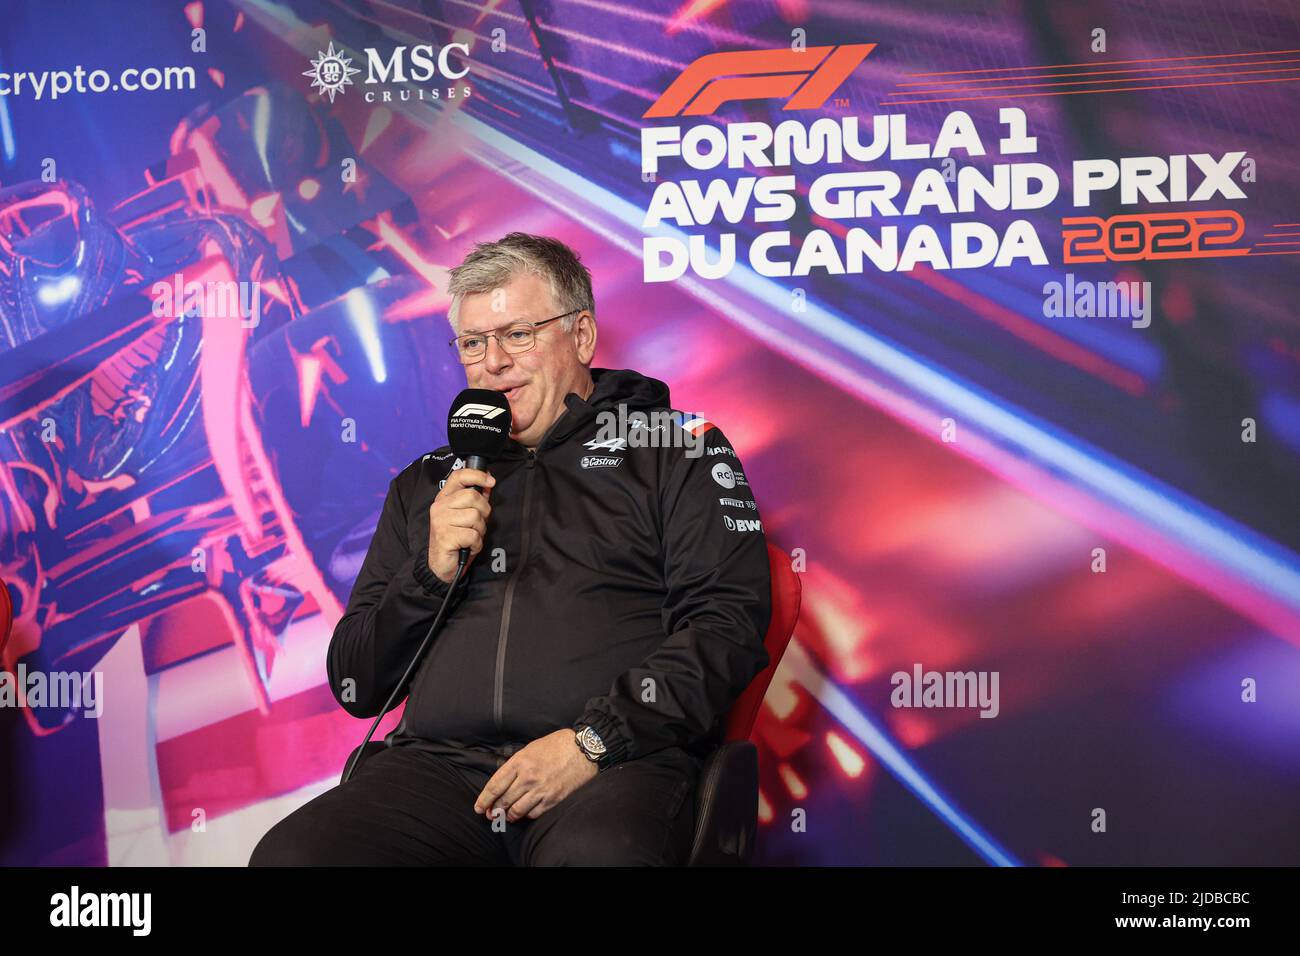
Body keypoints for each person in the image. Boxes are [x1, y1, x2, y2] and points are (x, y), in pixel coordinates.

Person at [249, 232, 771, 866]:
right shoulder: (425, 485)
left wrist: (592, 742)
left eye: (517, 335)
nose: (492, 363)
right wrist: (430, 572)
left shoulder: (676, 448)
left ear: (581, 336)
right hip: (442, 774)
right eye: (473, 343)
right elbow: (358, 683)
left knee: (602, 858)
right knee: (296, 857)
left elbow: (727, 625)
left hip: (609, 762)